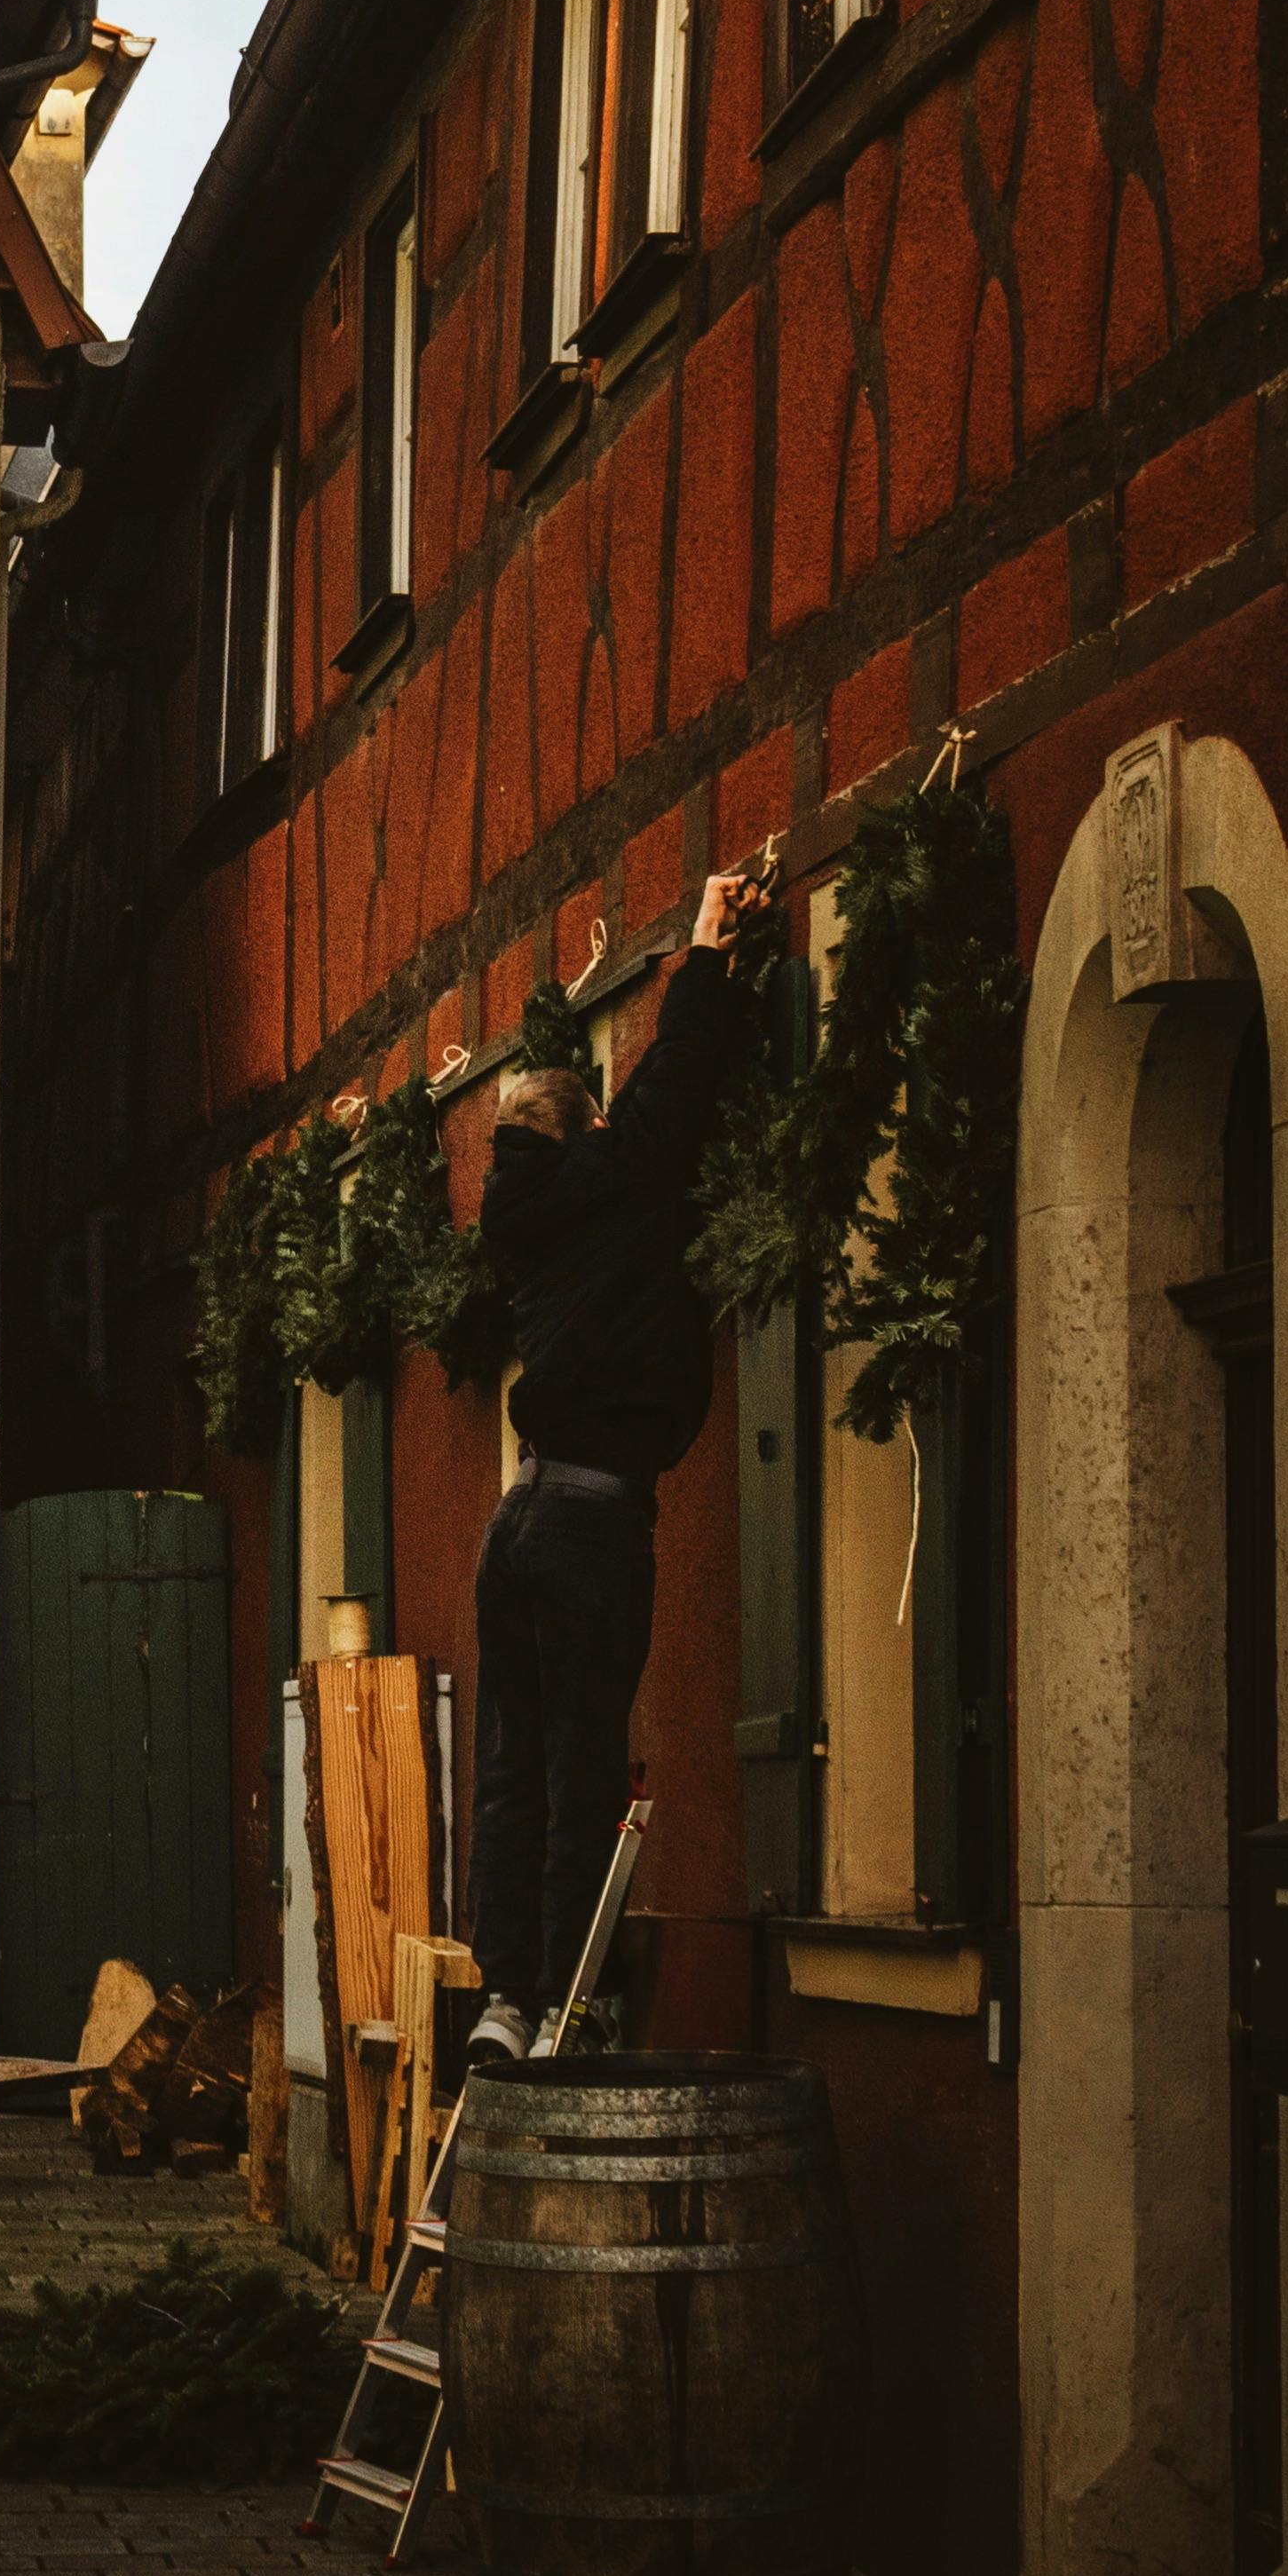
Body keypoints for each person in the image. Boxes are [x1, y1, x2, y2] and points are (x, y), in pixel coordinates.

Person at [463, 857, 774, 2066]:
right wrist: (709, 939)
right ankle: (558, 2005)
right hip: (593, 1522)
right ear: (586, 1126)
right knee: (580, 1762)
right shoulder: (616, 1173)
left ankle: (502, 1998)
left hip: (519, 1519)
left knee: (511, 1764)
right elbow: (683, 1076)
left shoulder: (521, 1219)